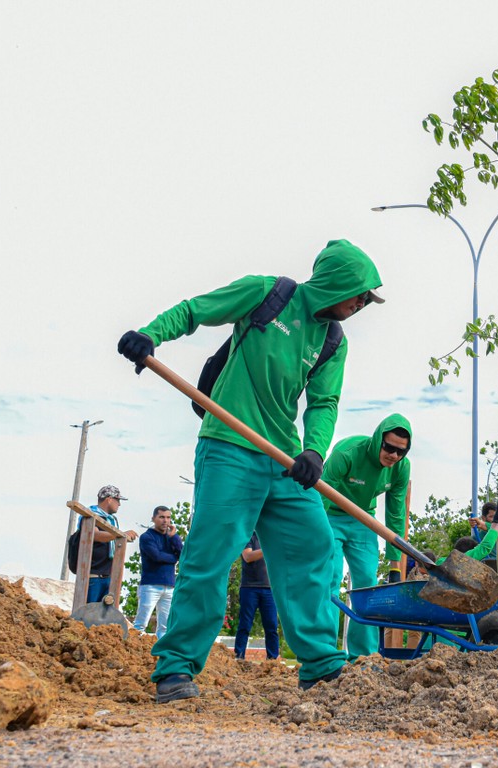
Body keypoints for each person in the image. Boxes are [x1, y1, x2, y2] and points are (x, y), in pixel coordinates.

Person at [117, 238, 385, 702]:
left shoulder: (333, 341)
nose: (363, 304)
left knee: (317, 546)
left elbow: (323, 403)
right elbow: (196, 309)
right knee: (209, 554)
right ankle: (175, 668)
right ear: (338, 282)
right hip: (229, 446)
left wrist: (315, 452)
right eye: (360, 293)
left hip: (284, 459)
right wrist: (151, 335)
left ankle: (320, 664)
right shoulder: (268, 293)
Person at [321, 413, 411, 660]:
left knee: (367, 585)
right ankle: (325, 652)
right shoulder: (348, 452)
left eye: (400, 451)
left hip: (363, 519)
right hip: (330, 515)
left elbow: (395, 514)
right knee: (330, 578)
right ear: (377, 441)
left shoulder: (401, 468)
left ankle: (362, 656)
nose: (393, 455)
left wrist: (395, 566)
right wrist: (311, 535)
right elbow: (320, 496)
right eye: (389, 448)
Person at [81, 485, 140, 603]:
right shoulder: (90, 515)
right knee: (89, 613)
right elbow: (94, 535)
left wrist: (120, 537)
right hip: (93, 574)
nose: (119, 504)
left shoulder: (110, 519)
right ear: (109, 499)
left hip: (108, 574)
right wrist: (120, 535)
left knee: (104, 615)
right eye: (118, 500)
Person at [132, 506, 183, 638]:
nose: (165, 520)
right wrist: (174, 558)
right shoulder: (146, 537)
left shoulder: (170, 537)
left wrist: (174, 537)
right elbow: (156, 556)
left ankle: (160, 655)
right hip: (150, 585)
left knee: (165, 626)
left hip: (169, 585)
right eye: (161, 517)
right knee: (140, 624)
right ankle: (134, 651)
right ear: (153, 519)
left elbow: (183, 555)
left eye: (168, 517)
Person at [235, 534, 280, 661]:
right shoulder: (248, 537)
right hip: (249, 587)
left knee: (271, 626)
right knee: (244, 625)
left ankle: (272, 661)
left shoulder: (272, 536)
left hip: (270, 588)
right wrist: (269, 548)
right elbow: (248, 556)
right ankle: (239, 658)